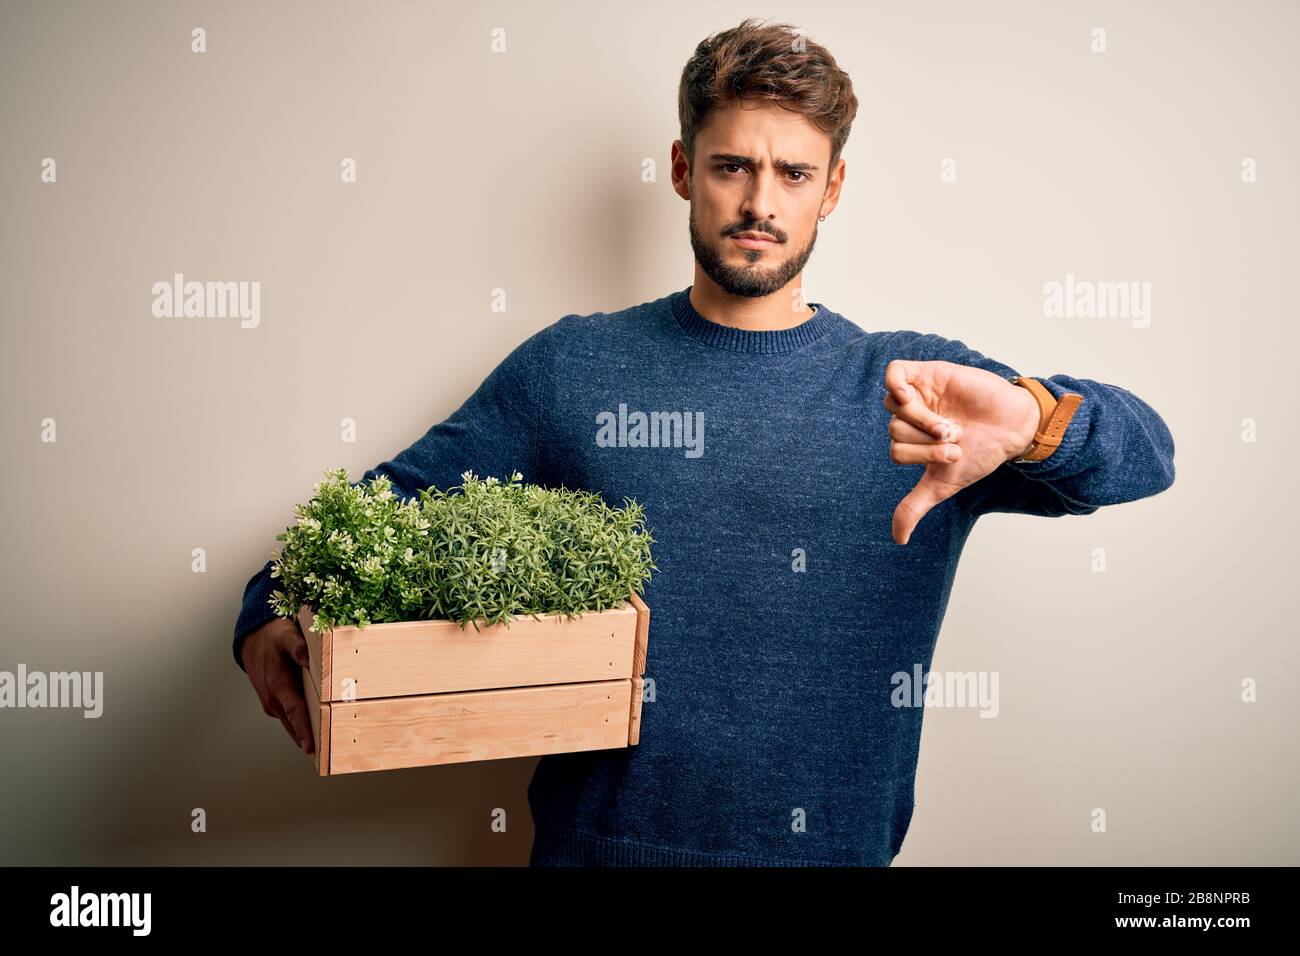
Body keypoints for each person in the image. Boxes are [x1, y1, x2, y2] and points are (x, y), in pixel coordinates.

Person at [234, 17, 1175, 866]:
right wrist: (269, 603)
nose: (760, 201)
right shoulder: (575, 367)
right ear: (683, 169)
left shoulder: (921, 392)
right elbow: (390, 504)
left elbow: (1150, 454)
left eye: (794, 174)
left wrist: (1037, 420)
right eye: (732, 166)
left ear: (832, 189)